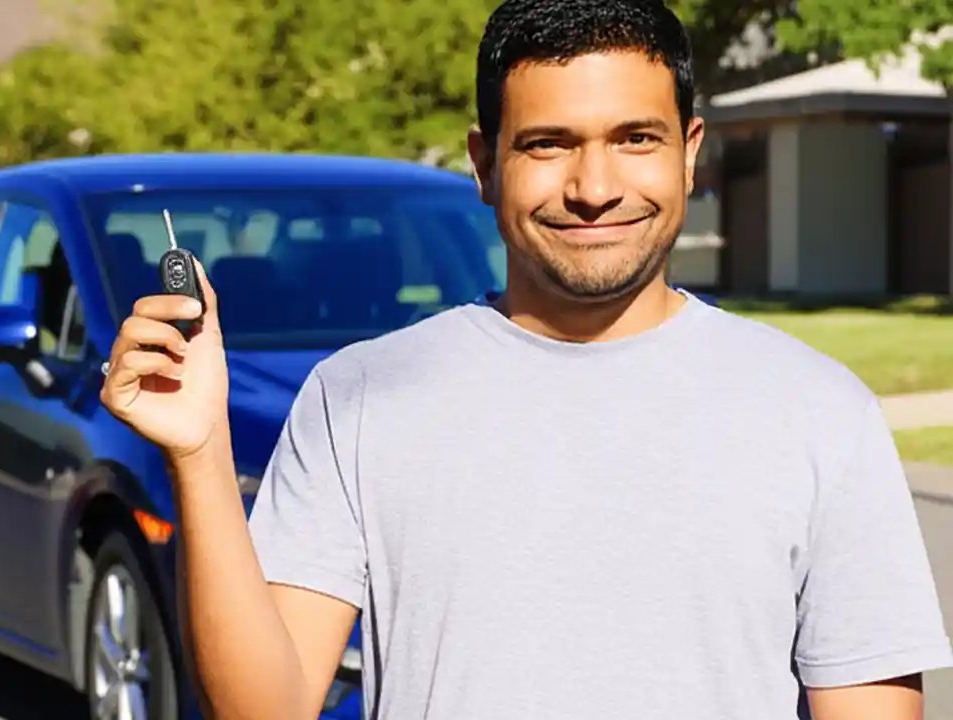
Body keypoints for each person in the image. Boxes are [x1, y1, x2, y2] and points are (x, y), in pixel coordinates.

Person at [99, 0, 953, 717]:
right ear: (484, 163)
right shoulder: (356, 398)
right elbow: (266, 709)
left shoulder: (817, 409)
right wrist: (201, 452)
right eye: (549, 144)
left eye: (635, 139)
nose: (593, 186)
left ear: (691, 153)